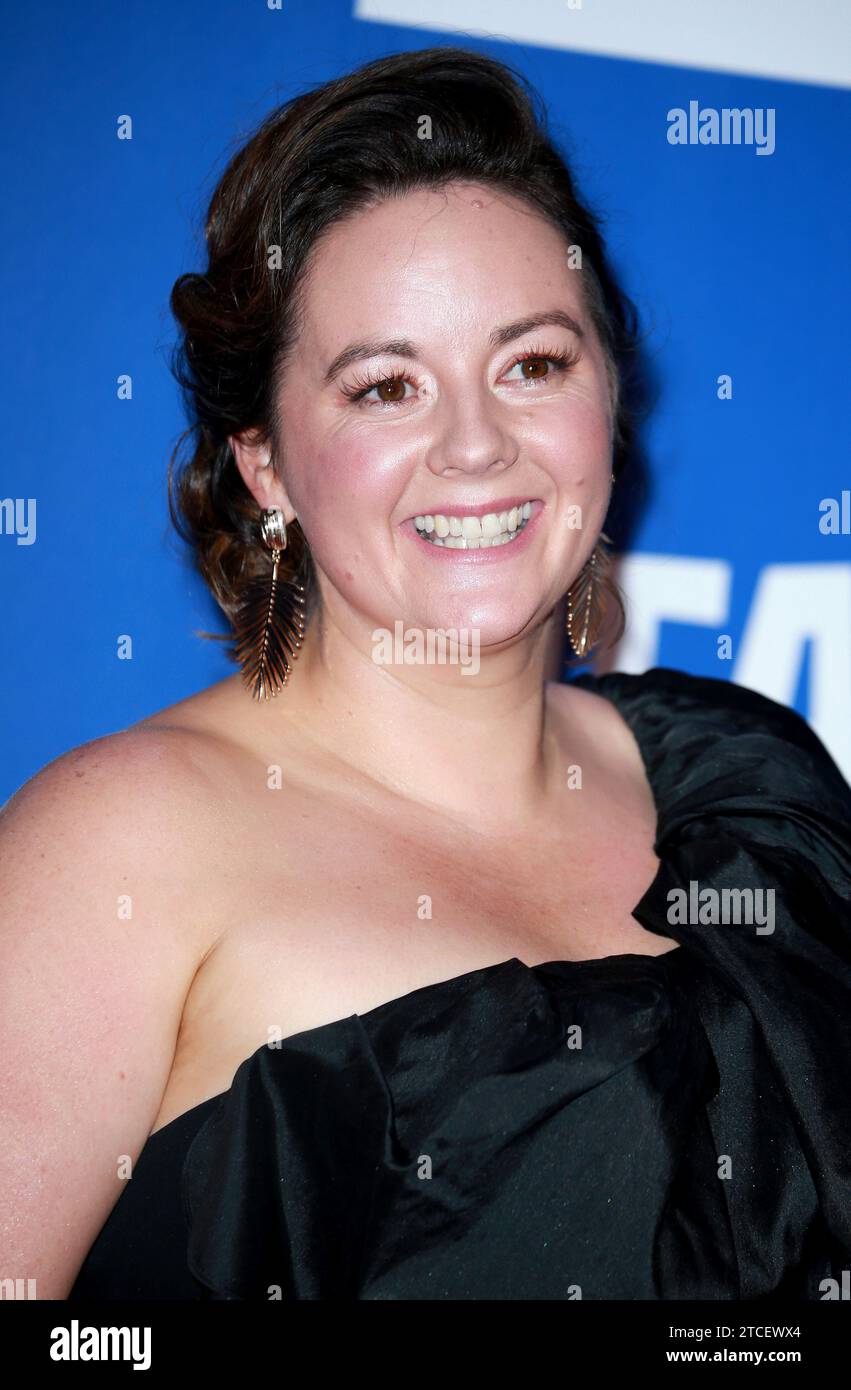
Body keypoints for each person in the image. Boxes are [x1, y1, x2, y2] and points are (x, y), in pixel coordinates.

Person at [2, 46, 849, 1302]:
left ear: (607, 398)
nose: (472, 443)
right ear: (266, 464)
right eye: (385, 385)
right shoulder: (117, 841)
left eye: (532, 364)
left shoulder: (752, 782)